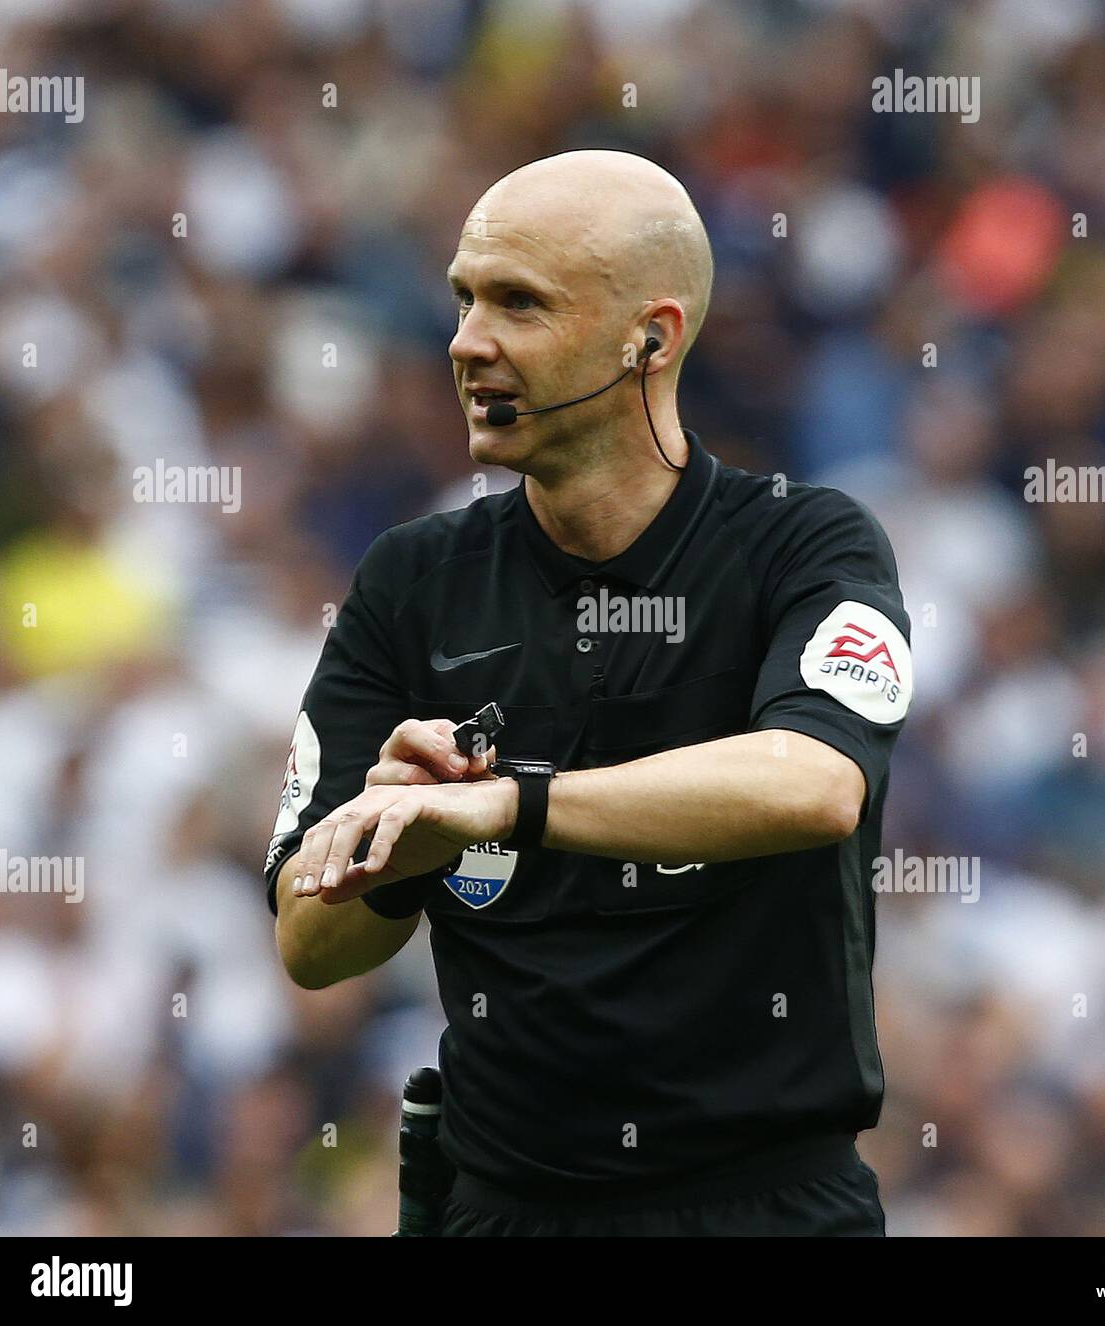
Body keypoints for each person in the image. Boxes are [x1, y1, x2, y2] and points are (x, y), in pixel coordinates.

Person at [265, 149, 913, 1236]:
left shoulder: (804, 544)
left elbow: (816, 783)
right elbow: (305, 943)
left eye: (518, 303)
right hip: (503, 1211)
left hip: (765, 1211)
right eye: (465, 299)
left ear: (648, 338)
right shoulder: (411, 582)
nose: (469, 341)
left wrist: (504, 803)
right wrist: (394, 854)